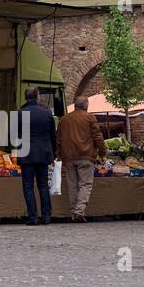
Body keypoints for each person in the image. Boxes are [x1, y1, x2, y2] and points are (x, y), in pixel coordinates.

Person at [56, 94, 106, 222]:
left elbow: (58, 139)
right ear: (86, 106)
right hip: (85, 156)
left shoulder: (64, 119)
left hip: (68, 157)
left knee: (72, 185)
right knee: (85, 184)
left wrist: (59, 154)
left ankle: (74, 212)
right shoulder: (90, 118)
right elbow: (98, 137)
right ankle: (79, 212)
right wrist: (102, 153)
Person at [17, 86, 56, 225]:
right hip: (44, 153)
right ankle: (46, 216)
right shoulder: (46, 113)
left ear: (25, 97)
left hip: (26, 154)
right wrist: (54, 153)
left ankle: (33, 217)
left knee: (28, 186)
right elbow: (53, 135)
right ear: (37, 96)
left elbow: (14, 135)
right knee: (43, 185)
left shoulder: (21, 113)